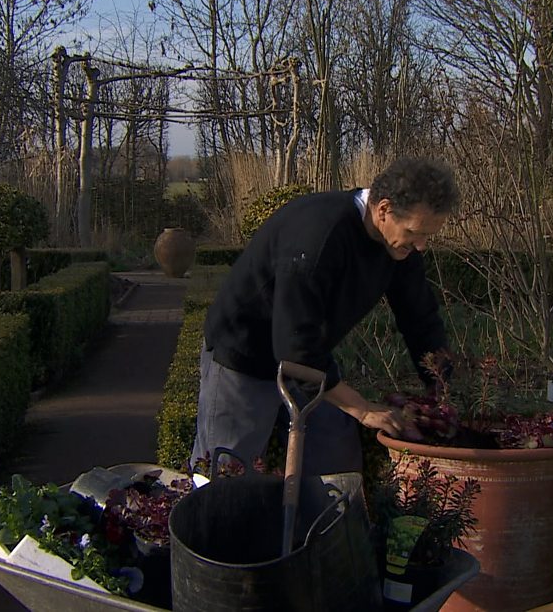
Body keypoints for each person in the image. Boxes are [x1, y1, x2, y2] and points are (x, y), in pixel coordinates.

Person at [191, 156, 460, 475]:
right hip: (244, 356)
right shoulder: (320, 235)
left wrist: (443, 386)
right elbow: (295, 349)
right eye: (416, 232)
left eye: (429, 235)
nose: (422, 246)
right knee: (227, 474)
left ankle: (322, 523)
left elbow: (420, 319)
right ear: (384, 209)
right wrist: (362, 409)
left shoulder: (400, 247)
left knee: (335, 463)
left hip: (307, 359)